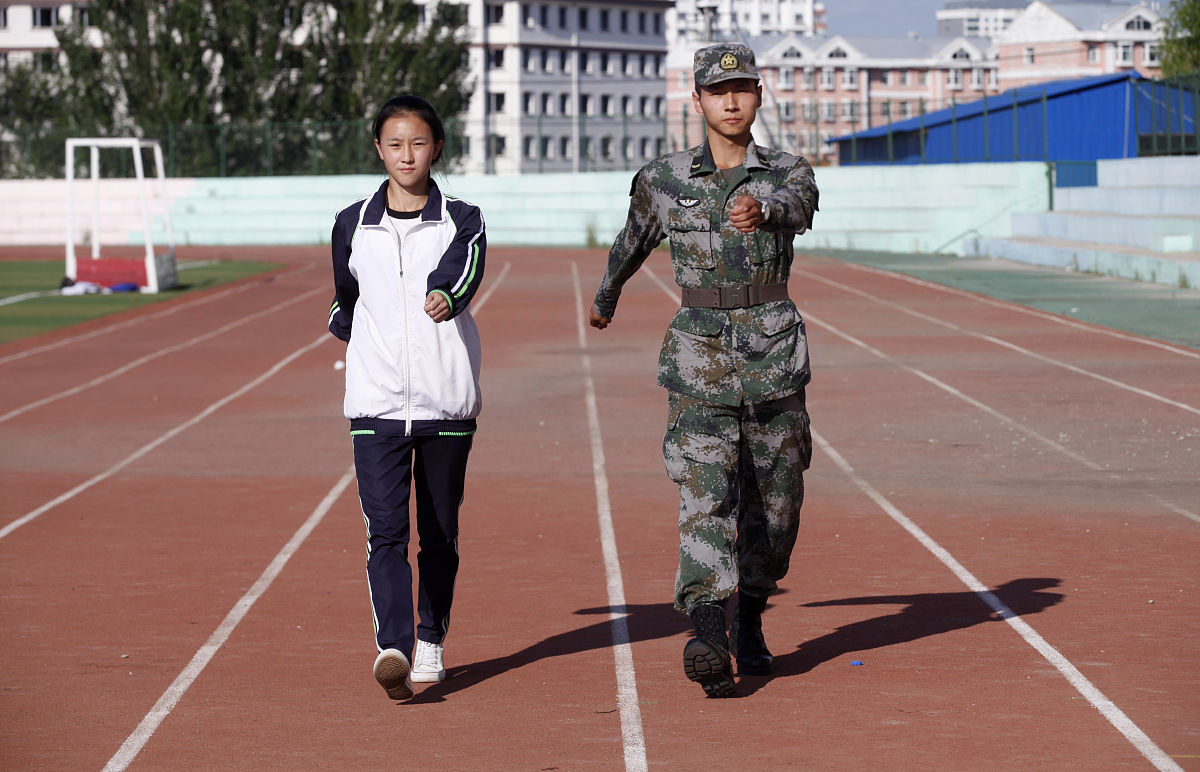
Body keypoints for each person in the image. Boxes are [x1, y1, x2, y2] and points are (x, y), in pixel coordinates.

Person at [589, 43, 818, 698]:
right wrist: (607, 294)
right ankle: (709, 632)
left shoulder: (788, 171)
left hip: (774, 360)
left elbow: (798, 207)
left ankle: (750, 615)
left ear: (759, 95)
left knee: (777, 507)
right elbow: (633, 238)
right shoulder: (663, 178)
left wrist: (764, 210)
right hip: (699, 359)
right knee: (704, 494)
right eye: (718, 92)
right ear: (697, 101)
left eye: (742, 88)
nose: (731, 101)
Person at [327, 95, 486, 701]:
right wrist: (348, 328)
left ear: (436, 147)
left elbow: (465, 268)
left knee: (439, 534)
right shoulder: (351, 223)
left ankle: (431, 640)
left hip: (446, 404)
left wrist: (446, 295)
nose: (406, 155)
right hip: (375, 405)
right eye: (394, 144)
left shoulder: (462, 218)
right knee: (386, 533)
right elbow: (345, 295)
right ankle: (392, 648)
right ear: (378, 149)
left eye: (418, 143)